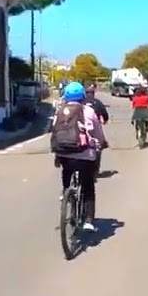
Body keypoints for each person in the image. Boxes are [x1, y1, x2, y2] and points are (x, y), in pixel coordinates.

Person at [52, 81, 108, 230]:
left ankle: (65, 192)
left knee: (67, 169)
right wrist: (101, 143)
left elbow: (55, 131)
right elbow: (97, 132)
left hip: (64, 153)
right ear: (83, 96)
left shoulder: (60, 111)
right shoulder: (88, 111)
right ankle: (89, 220)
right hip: (85, 155)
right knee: (88, 185)